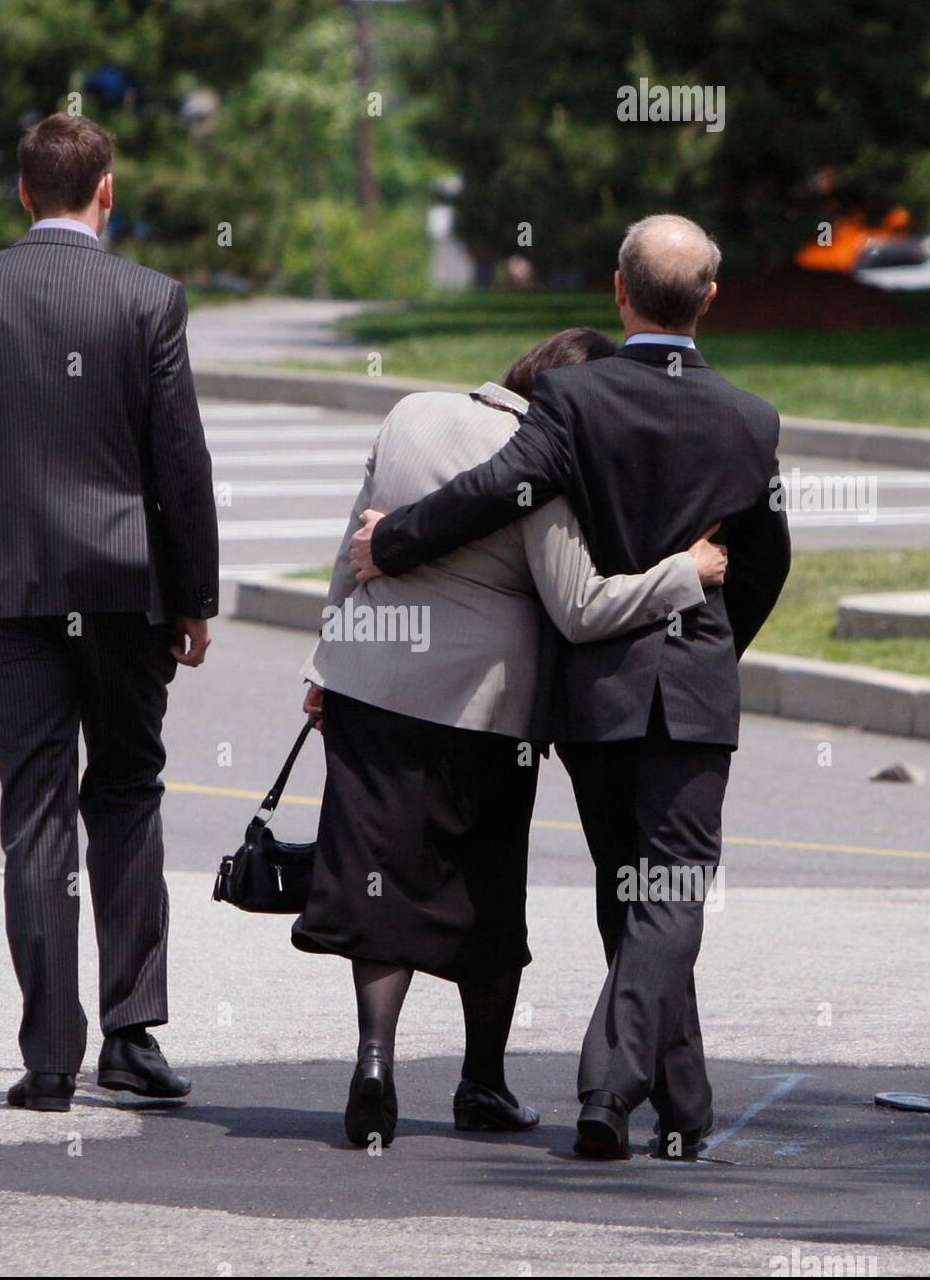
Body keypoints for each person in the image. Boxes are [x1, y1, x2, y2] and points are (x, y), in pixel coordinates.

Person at [350, 215, 791, 1160]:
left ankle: (682, 1105)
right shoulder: (751, 420)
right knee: (666, 894)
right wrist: (711, 647)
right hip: (689, 695)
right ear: (709, 299)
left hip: (596, 691)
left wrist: (391, 541)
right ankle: (608, 1083)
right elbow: (764, 563)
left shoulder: (573, 399)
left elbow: (496, 490)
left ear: (619, 293)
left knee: (625, 893)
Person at [294, 326, 728, 1149]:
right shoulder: (545, 465)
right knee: (480, 894)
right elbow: (580, 607)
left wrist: (324, 655)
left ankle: (375, 1059)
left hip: (366, 683)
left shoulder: (411, 411)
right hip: (481, 707)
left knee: (380, 877)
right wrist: (685, 575)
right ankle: (481, 1082)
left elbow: (352, 550)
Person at [0, 114, 218, 1114]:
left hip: (4, 589)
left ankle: (48, 1059)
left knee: (33, 810)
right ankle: (133, 1031)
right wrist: (193, 595)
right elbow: (179, 466)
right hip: (121, 585)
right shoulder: (150, 299)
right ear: (104, 191)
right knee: (126, 789)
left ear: (23, 193)